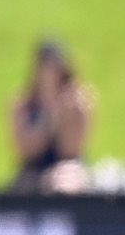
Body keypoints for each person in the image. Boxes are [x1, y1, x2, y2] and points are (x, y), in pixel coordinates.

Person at [10, 42, 93, 194]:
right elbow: (27, 152)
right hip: (33, 169)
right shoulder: (23, 104)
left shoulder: (77, 103)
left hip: (68, 167)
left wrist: (66, 116)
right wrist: (49, 116)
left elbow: (70, 150)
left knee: (66, 182)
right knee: (28, 184)